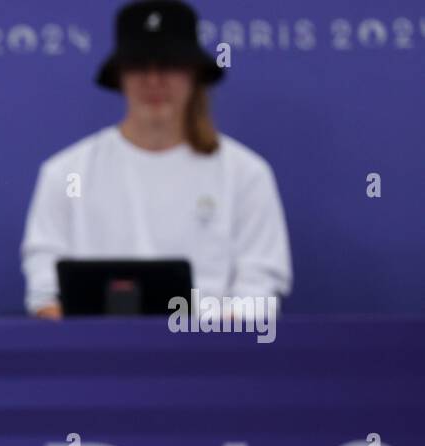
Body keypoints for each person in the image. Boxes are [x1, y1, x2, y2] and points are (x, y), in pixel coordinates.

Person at [20, 0, 292, 318]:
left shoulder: (245, 174)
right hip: (95, 361)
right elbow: (45, 291)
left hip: (212, 360)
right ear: (120, 75)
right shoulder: (68, 174)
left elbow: (259, 292)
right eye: (139, 65)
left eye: (170, 64)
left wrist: (191, 343)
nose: (154, 80)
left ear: (195, 74)